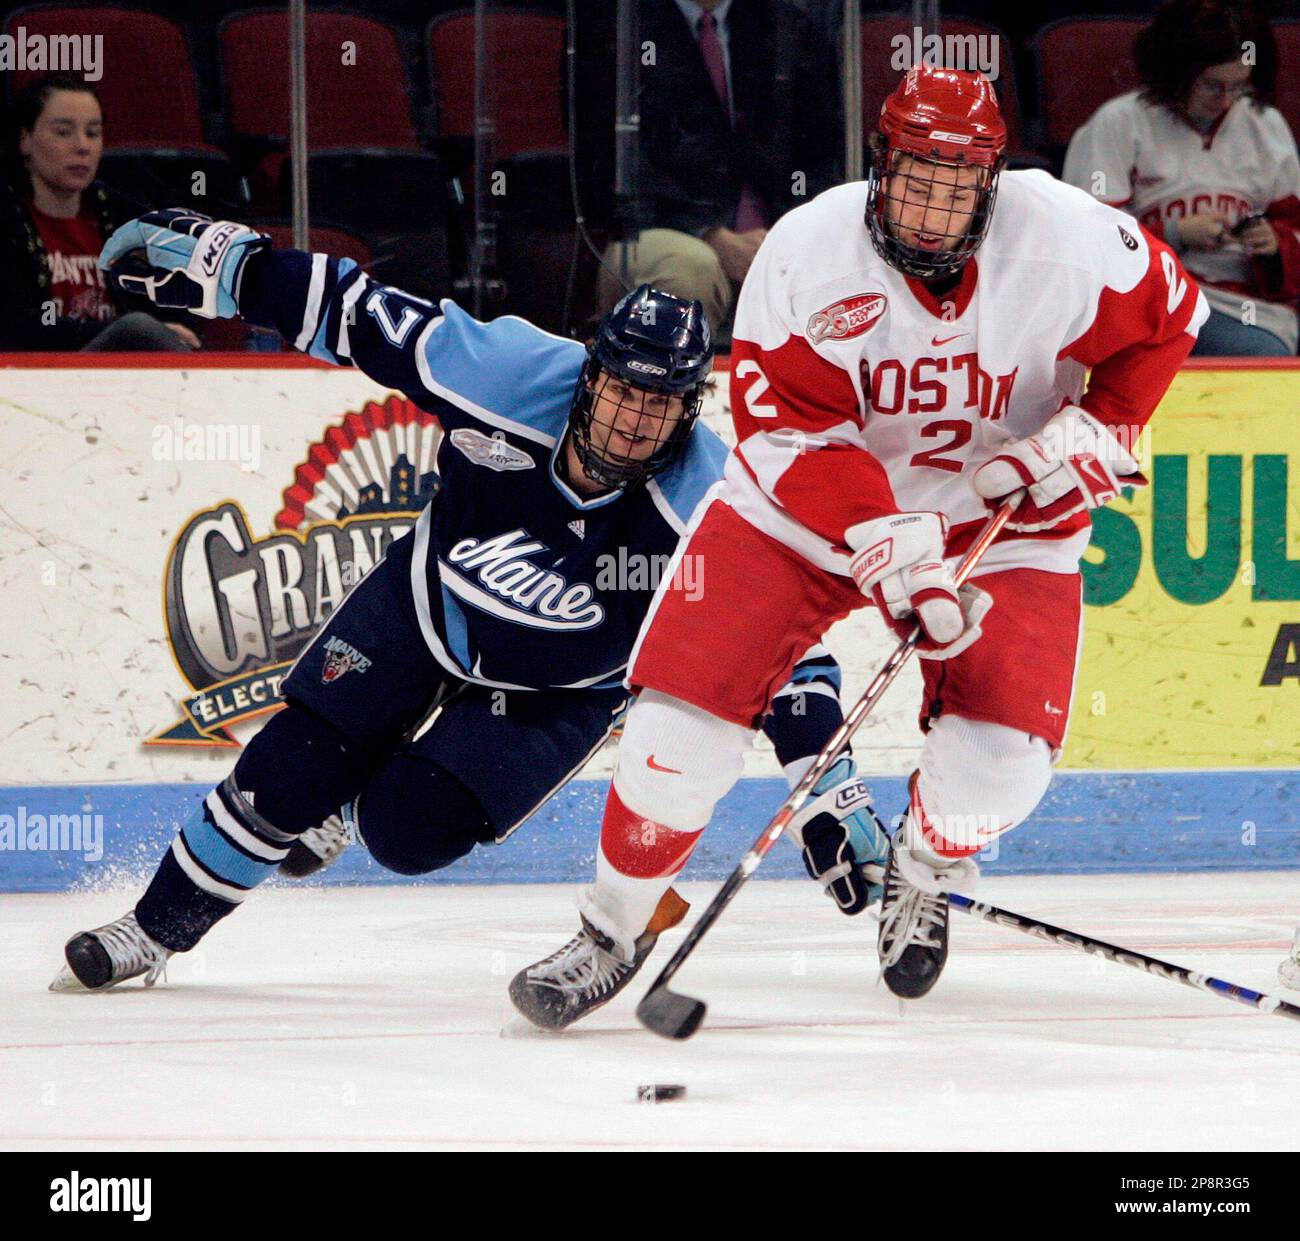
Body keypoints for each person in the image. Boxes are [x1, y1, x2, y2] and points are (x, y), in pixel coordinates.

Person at [512, 65, 1208, 1024]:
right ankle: (614, 926)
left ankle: (920, 867)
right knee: (676, 741)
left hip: (1000, 517)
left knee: (999, 771)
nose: (929, 209)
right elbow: (789, 434)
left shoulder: (1069, 239)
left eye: (955, 186)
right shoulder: (808, 254)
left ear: (992, 181)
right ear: (881, 162)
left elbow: (1173, 322)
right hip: (802, 515)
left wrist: (1101, 428)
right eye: (913, 177)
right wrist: (891, 549)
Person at [51, 210, 888, 1006]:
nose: (634, 421)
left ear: (689, 408)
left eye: (659, 402)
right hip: (429, 607)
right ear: (589, 371)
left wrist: (826, 785)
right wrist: (236, 265)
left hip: (564, 686)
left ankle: (353, 803)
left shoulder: (707, 494)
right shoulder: (506, 373)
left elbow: (781, 643)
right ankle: (150, 931)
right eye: (622, 391)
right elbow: (354, 313)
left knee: (405, 832)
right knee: (286, 771)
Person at [574, 0, 842, 329]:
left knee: (846, 266)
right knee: (688, 270)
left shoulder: (786, 25)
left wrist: (789, 234)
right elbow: (605, 169)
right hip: (660, 229)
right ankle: (672, 377)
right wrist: (708, 233)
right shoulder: (616, 23)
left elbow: (822, 156)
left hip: (774, 237)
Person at [1063, 0, 1299, 357]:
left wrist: (1274, 242)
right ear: (1177, 74)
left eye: (1239, 88)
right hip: (1148, 298)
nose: (1226, 101)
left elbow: (1293, 223)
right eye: (1212, 86)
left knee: (1263, 349)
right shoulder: (1119, 122)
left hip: (1241, 304)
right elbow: (1083, 239)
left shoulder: (1264, 124)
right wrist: (1173, 234)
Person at [0, 73, 198, 352]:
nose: (82, 146)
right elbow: (16, 327)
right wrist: (122, 332)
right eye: (63, 132)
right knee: (138, 328)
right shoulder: (7, 222)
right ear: (25, 140)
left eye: (93, 133)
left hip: (128, 380)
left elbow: (177, 311)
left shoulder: (125, 219)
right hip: (31, 379)